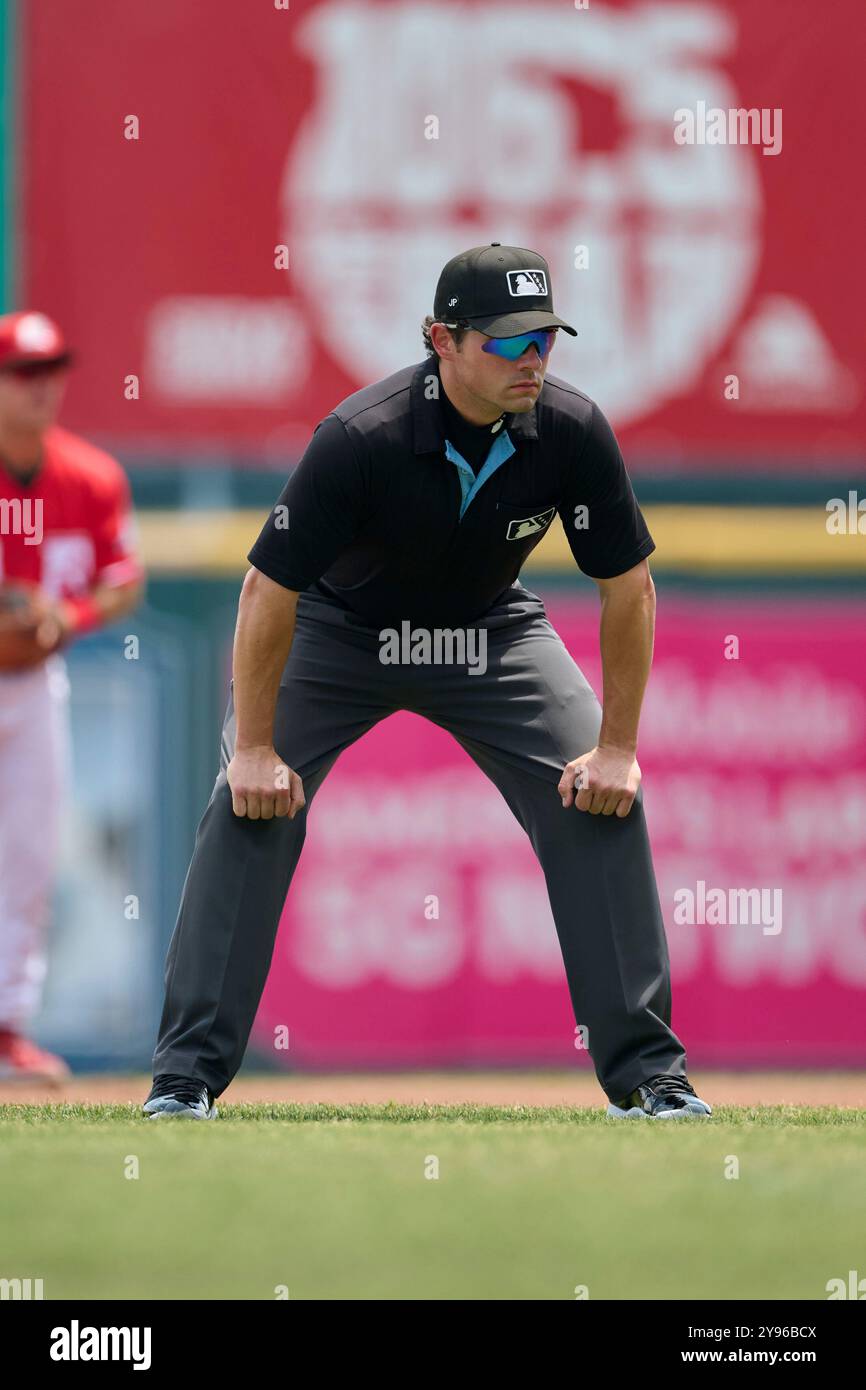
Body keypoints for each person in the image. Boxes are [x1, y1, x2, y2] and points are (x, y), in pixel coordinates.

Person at [144, 244, 711, 1121]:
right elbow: (268, 589)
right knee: (251, 802)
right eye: (509, 342)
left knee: (597, 796)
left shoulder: (570, 430)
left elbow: (627, 586)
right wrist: (254, 749)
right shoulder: (359, 438)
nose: (533, 361)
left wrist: (619, 749)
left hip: (487, 629)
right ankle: (184, 1081)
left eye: (545, 341)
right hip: (342, 632)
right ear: (441, 339)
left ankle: (649, 1079)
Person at [0, 311, 144, 1081]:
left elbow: (123, 582)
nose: (40, 387)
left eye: (51, 370)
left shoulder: (89, 475)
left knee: (26, 856)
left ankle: (5, 1028)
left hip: (32, 683)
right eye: (23, 372)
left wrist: (71, 615)